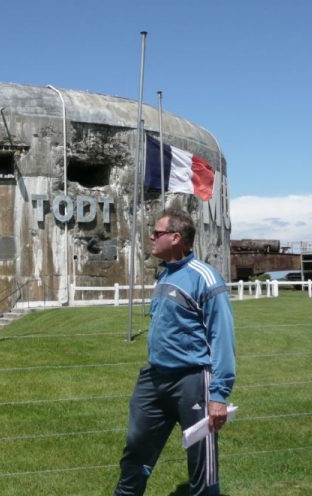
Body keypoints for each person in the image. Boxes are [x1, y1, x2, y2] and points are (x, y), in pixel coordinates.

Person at [113, 209, 236, 496]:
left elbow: (222, 338)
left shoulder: (204, 278)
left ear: (176, 237)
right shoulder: (165, 275)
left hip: (193, 381)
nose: (151, 238)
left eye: (157, 233)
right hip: (154, 378)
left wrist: (218, 395)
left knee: (201, 460)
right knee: (136, 448)